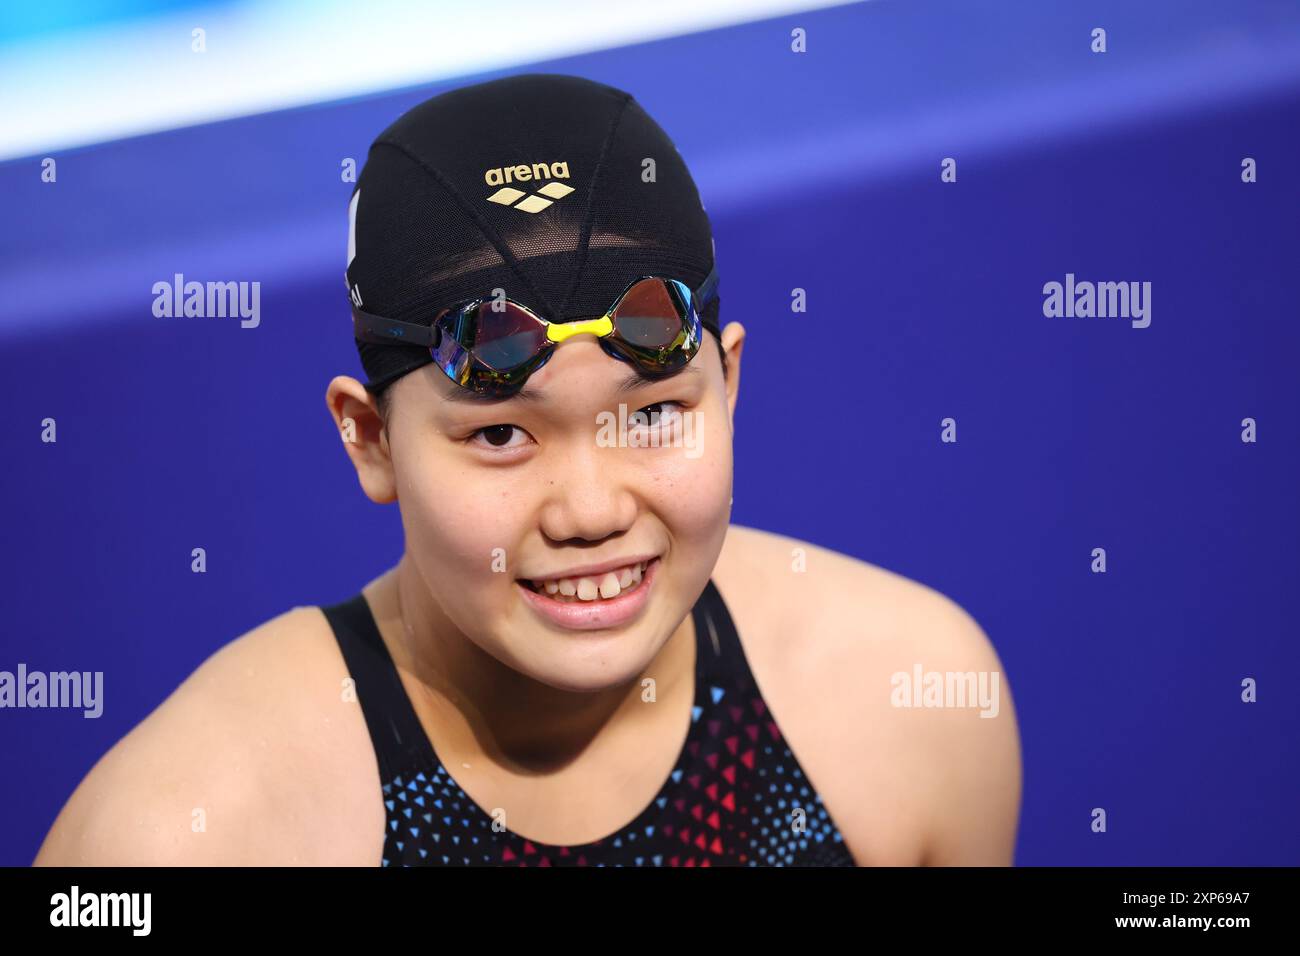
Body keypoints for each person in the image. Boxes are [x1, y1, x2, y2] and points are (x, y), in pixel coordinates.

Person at [34, 73, 1021, 867]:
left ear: (728, 384)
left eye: (652, 416)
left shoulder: (907, 702)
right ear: (370, 439)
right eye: (502, 434)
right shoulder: (188, 832)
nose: (590, 510)